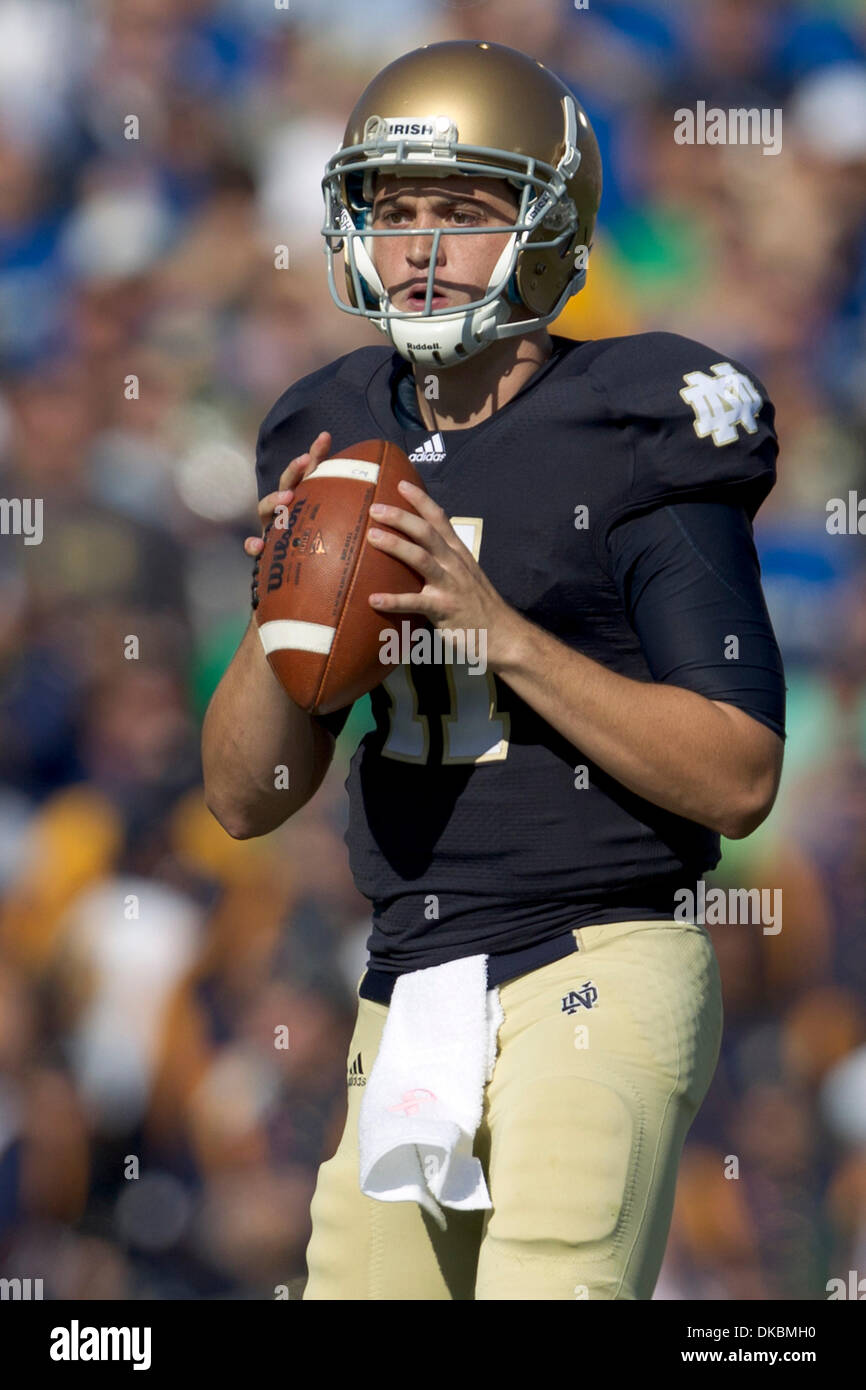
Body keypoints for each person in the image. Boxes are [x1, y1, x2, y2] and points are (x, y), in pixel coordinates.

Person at [201, 40, 786, 1300]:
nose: (417, 248)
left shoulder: (636, 419)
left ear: (546, 229)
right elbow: (245, 799)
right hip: (407, 976)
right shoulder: (327, 423)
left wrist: (501, 632)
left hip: (596, 958)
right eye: (394, 211)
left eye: (460, 214)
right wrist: (284, 609)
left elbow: (737, 776)